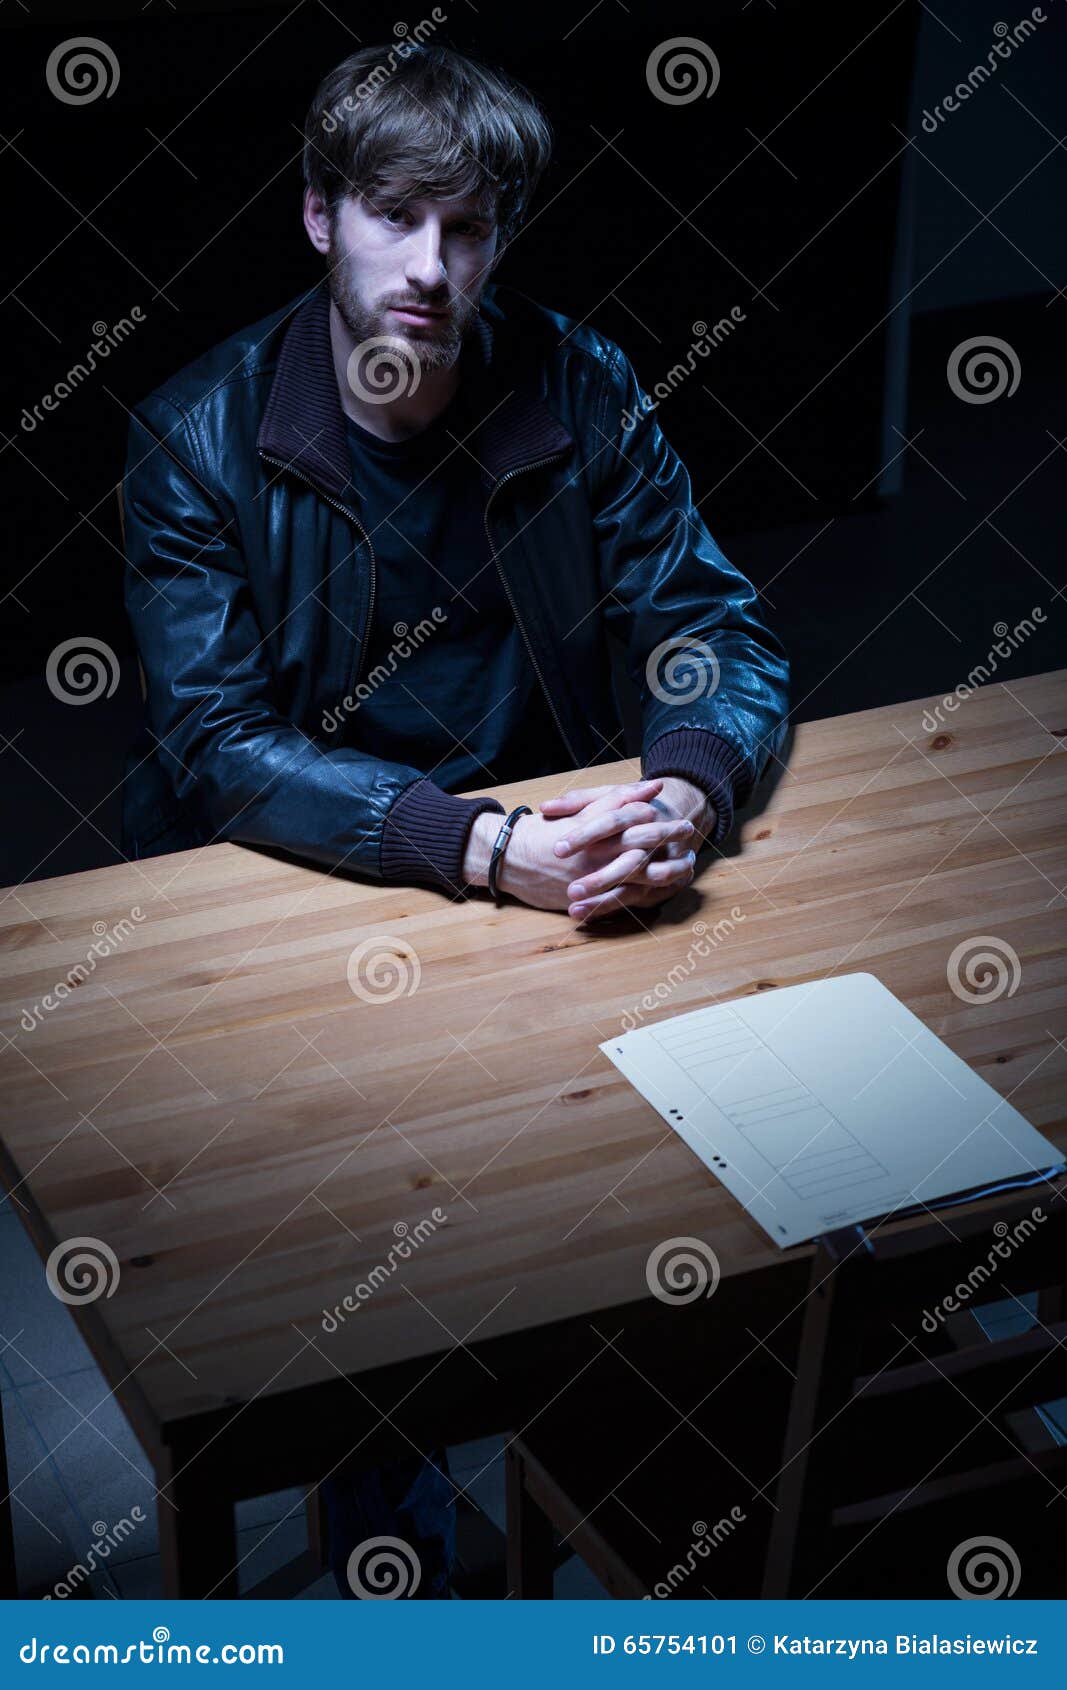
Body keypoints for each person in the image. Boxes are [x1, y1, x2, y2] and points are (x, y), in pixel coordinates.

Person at [120, 41, 790, 1595]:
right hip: (308, 884)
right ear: (318, 219)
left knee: (649, 1226)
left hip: (551, 883)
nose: (432, 267)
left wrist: (687, 780)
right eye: (396, 216)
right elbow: (218, 745)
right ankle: (393, 1580)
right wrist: (482, 847)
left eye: (470, 228)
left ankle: (630, 1535)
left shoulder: (584, 382)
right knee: (379, 1284)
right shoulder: (193, 435)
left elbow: (712, 626)